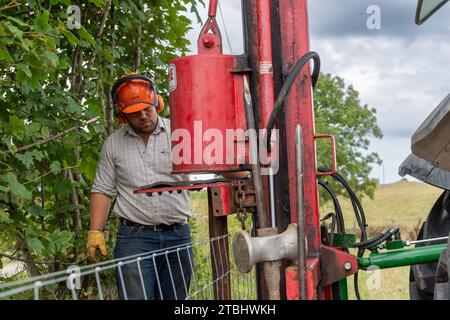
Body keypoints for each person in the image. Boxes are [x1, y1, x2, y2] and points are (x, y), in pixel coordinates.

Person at [86, 73, 193, 300]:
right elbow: (103, 189)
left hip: (178, 235)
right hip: (135, 238)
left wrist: (242, 169)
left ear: (157, 102)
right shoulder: (113, 144)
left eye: (147, 109)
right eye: (135, 113)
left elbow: (212, 161)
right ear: (123, 115)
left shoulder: (180, 133)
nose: (143, 116)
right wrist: (95, 231)